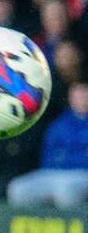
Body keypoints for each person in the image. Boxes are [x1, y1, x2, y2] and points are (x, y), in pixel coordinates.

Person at [7, 82, 88, 210]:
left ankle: (74, 228)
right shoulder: (60, 123)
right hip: (52, 173)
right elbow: (47, 159)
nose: (81, 98)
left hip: (81, 175)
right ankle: (32, 229)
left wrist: (64, 158)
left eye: (84, 93)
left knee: (65, 190)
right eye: (76, 93)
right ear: (70, 96)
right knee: (18, 188)